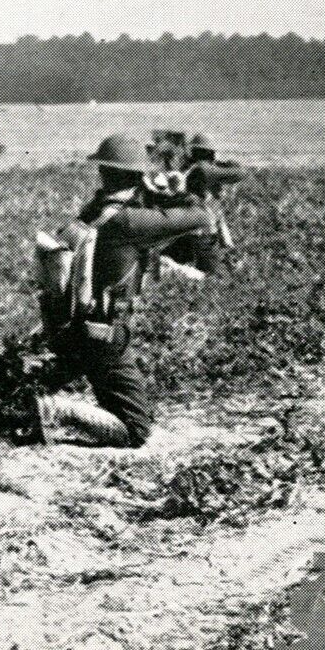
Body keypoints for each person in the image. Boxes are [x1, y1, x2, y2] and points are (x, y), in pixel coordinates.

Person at [33, 133, 215, 447]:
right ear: (137, 174)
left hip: (70, 328)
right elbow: (201, 216)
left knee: (51, 377)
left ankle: (12, 399)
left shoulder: (94, 211)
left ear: (103, 172)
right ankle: (52, 409)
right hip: (104, 337)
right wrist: (179, 192)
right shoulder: (131, 222)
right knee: (134, 431)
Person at [164, 132, 246, 276]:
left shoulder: (189, 168)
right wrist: (223, 163)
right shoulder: (205, 169)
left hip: (185, 227)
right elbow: (239, 172)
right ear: (211, 153)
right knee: (213, 274)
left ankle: (171, 263)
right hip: (202, 231)